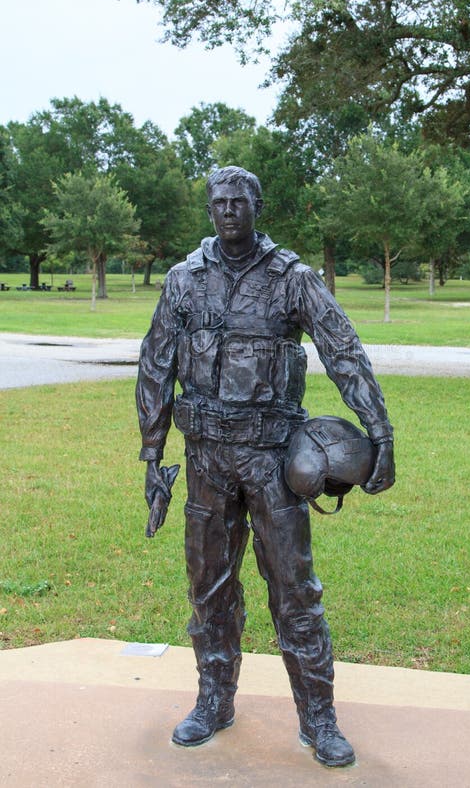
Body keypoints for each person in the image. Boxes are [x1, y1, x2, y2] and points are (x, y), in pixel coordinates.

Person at [136, 165, 395, 768]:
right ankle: (213, 699)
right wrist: (152, 453)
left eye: (239, 201)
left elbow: (343, 351)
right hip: (205, 461)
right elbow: (155, 366)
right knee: (209, 587)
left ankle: (319, 718)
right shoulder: (183, 280)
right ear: (210, 210)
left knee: (295, 590)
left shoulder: (292, 279)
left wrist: (379, 431)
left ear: (256, 207)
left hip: (272, 461)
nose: (229, 210)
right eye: (219, 202)